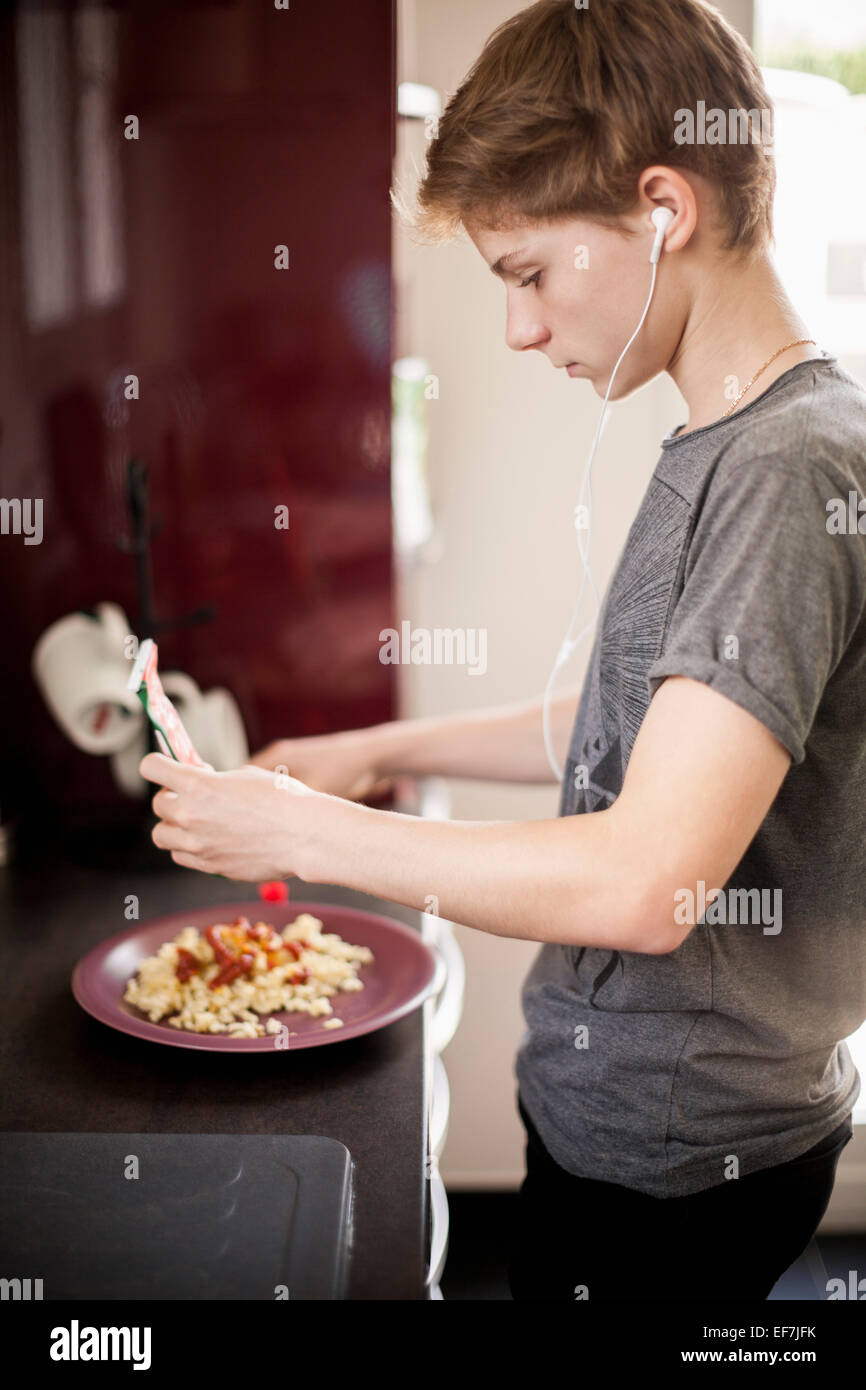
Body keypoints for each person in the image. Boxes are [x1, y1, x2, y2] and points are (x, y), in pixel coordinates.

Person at [141, 0, 865, 1301]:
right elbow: (640, 730)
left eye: (527, 273)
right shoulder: (728, 439)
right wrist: (375, 747)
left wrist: (295, 831)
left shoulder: (783, 466)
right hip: (644, 1128)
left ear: (661, 208)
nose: (522, 328)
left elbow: (648, 880)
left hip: (672, 1165)